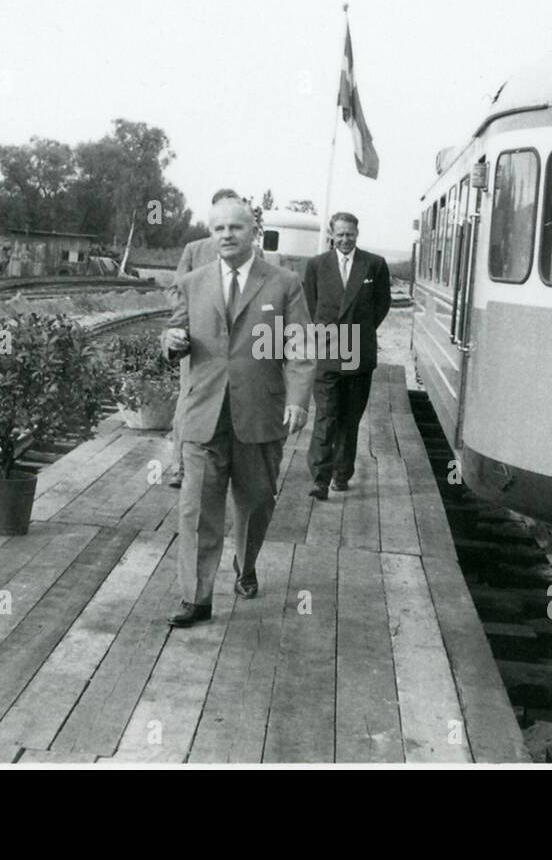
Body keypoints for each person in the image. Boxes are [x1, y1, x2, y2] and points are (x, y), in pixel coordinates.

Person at [162, 194, 312, 627]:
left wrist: (298, 401)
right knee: (196, 510)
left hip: (260, 414)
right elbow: (176, 330)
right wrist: (171, 343)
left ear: (253, 233)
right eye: (219, 228)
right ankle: (197, 598)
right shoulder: (195, 282)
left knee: (256, 502)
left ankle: (245, 567)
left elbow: (301, 347)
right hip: (203, 412)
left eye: (236, 228)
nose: (227, 235)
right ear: (211, 232)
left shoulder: (283, 283)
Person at [163, 189, 265, 488]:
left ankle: (226, 463)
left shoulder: (251, 250)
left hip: (237, 345)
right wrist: (188, 321)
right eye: (220, 220)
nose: (228, 232)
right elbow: (176, 291)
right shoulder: (194, 249)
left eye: (234, 221)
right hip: (198, 344)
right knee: (188, 401)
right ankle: (180, 466)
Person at [302, 211, 391, 499]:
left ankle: (342, 472)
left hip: (358, 352)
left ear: (357, 233)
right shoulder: (316, 265)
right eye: (339, 234)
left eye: (349, 234)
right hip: (326, 350)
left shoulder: (374, 265)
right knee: (326, 415)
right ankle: (319, 478)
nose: (344, 239)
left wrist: (360, 333)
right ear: (331, 234)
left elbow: (382, 305)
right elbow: (310, 304)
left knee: (350, 417)